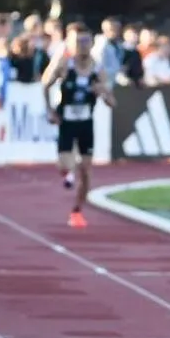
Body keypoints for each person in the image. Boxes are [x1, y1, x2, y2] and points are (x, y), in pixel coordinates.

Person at [42, 22, 115, 228]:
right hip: (67, 122)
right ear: (70, 43)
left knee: (86, 170)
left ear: (91, 43)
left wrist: (102, 92)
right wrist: (50, 110)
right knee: (65, 165)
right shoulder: (64, 64)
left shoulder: (98, 69)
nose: (82, 46)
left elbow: (112, 102)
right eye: (78, 42)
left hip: (86, 123)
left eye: (86, 41)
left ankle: (77, 210)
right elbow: (45, 84)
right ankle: (69, 173)